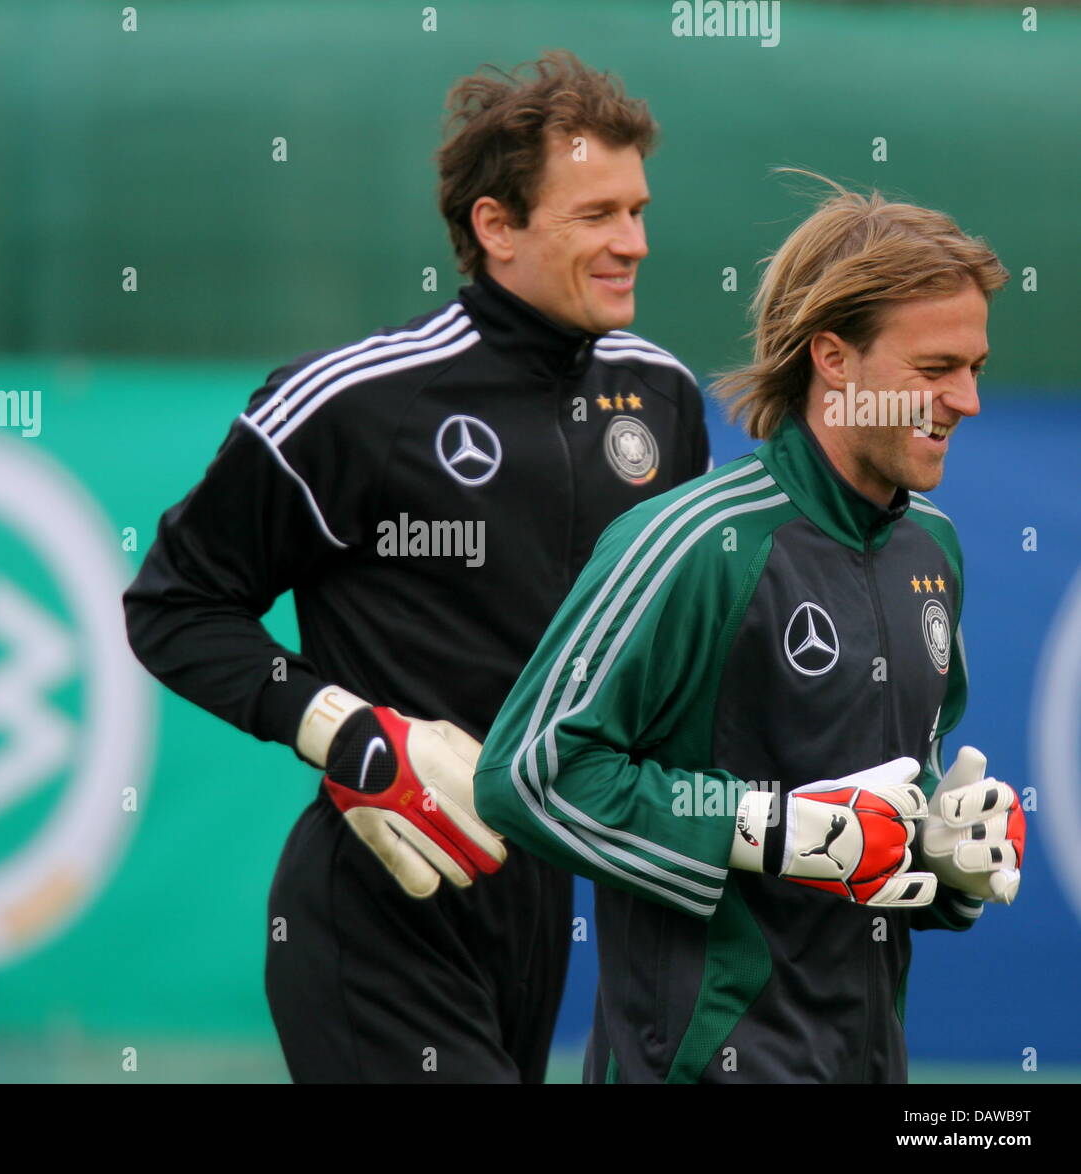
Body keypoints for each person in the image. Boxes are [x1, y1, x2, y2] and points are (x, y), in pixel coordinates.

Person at [122, 50, 711, 1083]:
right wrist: (346, 730)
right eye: (598, 215)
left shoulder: (660, 399)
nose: (635, 243)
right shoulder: (353, 401)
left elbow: (674, 664)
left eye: (638, 209)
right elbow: (175, 606)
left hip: (543, 912)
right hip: (376, 913)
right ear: (495, 228)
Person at [474, 177, 1028, 1084]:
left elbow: (872, 804)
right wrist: (766, 828)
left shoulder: (935, 547)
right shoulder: (694, 543)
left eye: (975, 368)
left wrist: (940, 851)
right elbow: (527, 777)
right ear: (834, 360)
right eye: (934, 371)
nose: (966, 401)